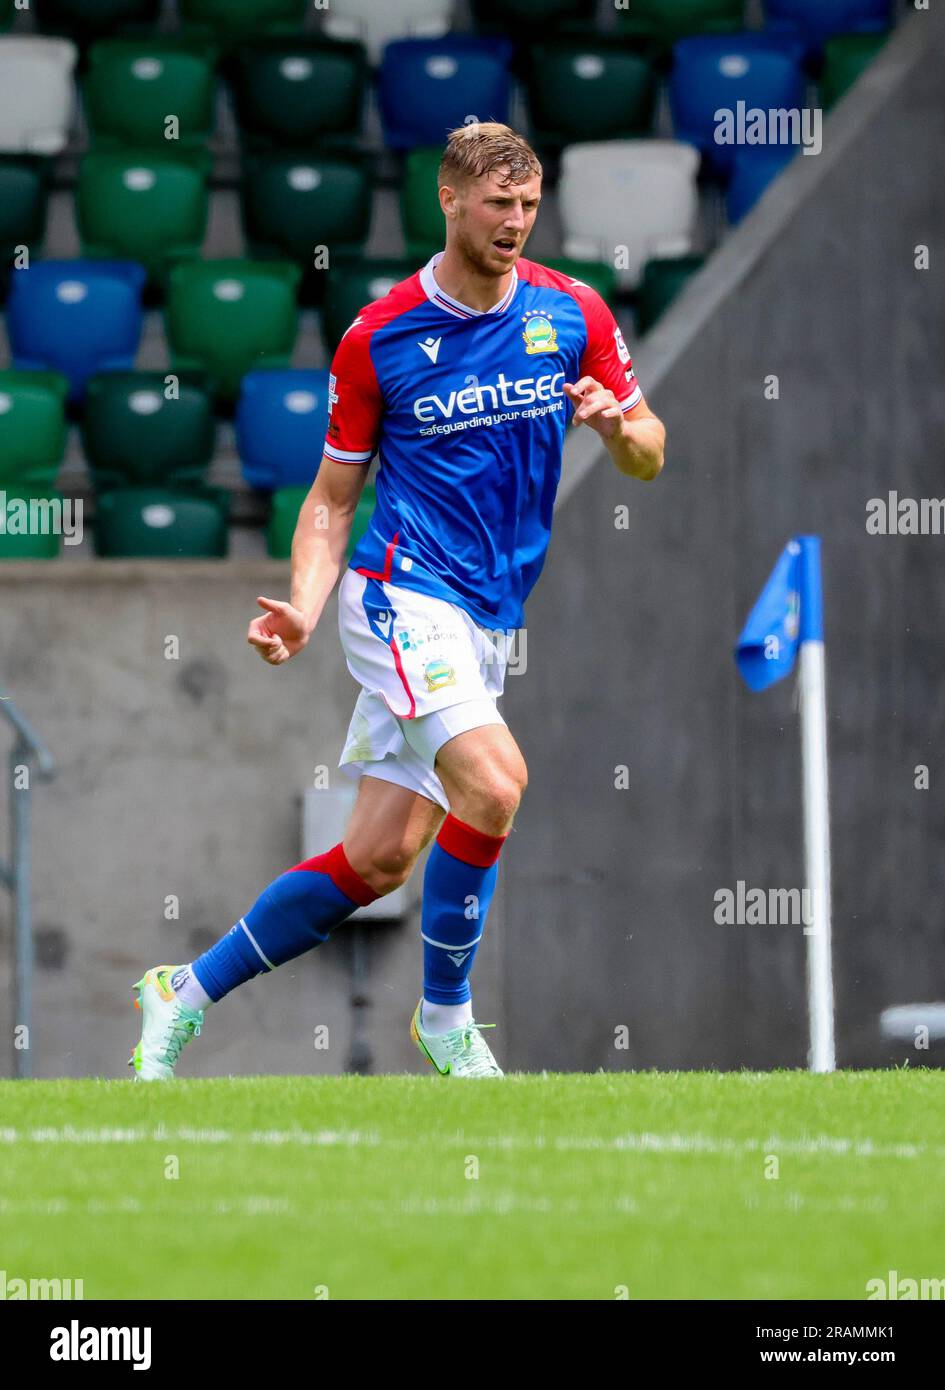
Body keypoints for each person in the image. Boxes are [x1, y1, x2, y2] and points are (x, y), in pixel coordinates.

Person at [129, 122, 665, 1081]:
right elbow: (332, 498)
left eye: (529, 204)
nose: (515, 222)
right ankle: (448, 1020)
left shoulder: (571, 310)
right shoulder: (378, 338)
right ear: (449, 201)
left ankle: (183, 993)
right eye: (497, 204)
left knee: (376, 860)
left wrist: (615, 428)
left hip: (486, 618)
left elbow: (650, 452)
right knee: (495, 785)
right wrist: (301, 604)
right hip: (400, 595)